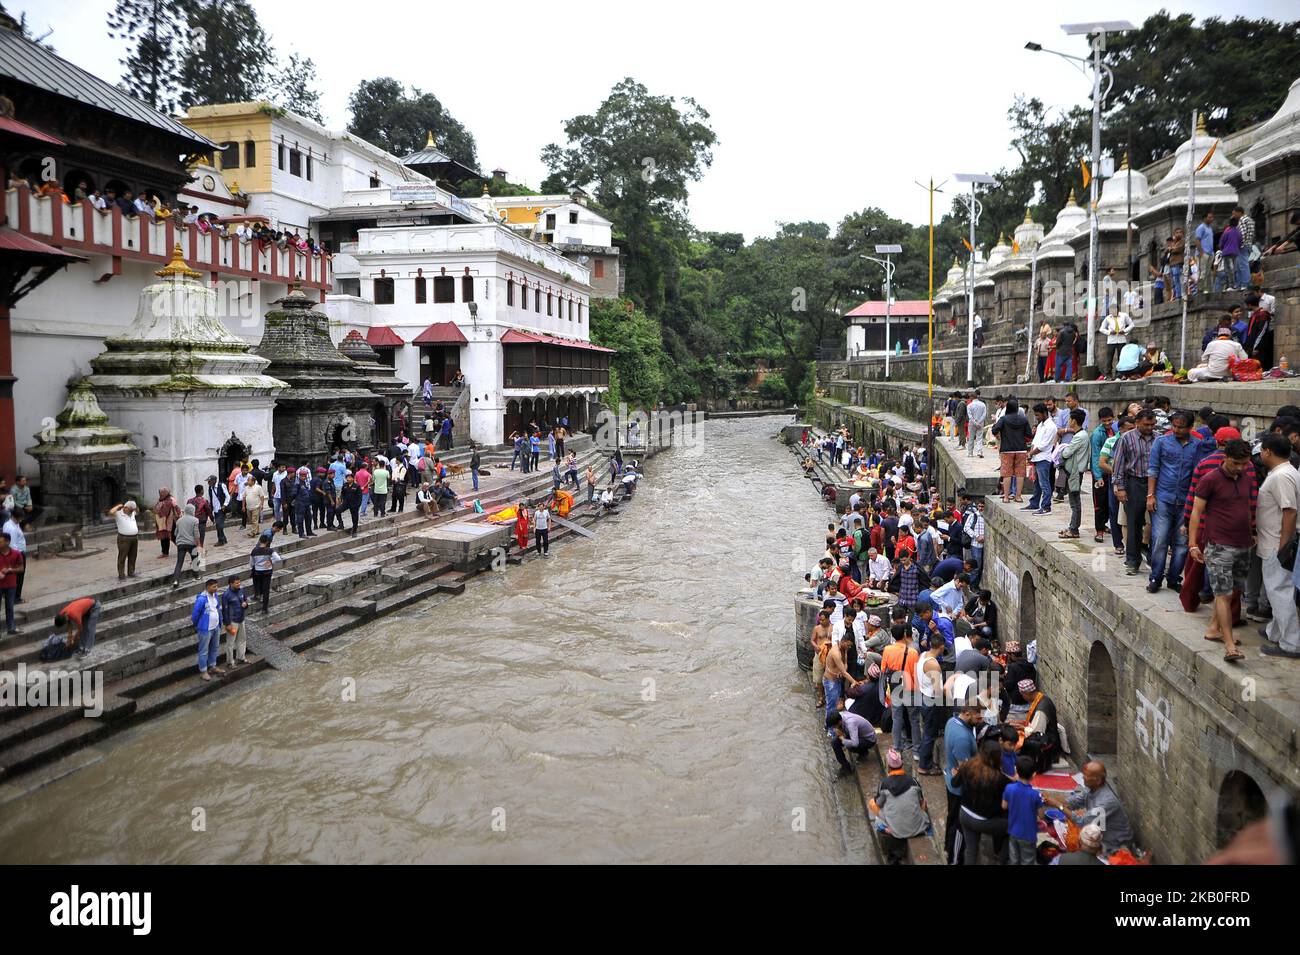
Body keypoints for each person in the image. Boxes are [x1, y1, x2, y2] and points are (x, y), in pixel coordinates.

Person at [1188, 439, 1255, 663]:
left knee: (1233, 590)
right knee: (1222, 594)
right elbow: (1196, 513)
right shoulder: (1210, 480)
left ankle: (1214, 628)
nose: (1240, 467)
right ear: (1225, 457)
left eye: (1244, 463)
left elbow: (1248, 507)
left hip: (1243, 544)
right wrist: (1193, 544)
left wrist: (1252, 533)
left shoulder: (1246, 478)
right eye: (1236, 463)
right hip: (1219, 545)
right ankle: (1229, 646)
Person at [1256, 434, 1300, 658]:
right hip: (1272, 541)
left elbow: (1290, 511)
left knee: (1279, 591)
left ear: (1268, 452)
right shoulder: (1286, 472)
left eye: (1262, 450)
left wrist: (1283, 545)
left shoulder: (1282, 476)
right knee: (1279, 591)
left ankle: (1291, 643)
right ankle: (1275, 631)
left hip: (1276, 543)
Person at [1145, 411, 1198, 593]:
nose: (1176, 429)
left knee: (1182, 543)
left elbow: (1197, 475)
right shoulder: (1162, 442)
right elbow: (1153, 469)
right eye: (1174, 426)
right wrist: (1150, 495)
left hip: (1186, 501)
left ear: (1190, 427)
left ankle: (1174, 578)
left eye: (1180, 427)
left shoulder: (1196, 446)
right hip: (1163, 498)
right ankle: (1155, 577)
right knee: (1160, 539)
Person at [1045, 760, 1134, 856]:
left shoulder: (1107, 801)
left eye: (1086, 775)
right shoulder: (1092, 788)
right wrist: (1048, 798)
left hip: (1114, 844)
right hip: (1099, 832)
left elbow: (1081, 822)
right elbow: (1071, 802)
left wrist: (1058, 805)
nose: (1083, 777)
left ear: (1098, 780)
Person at [1112, 409, 1157, 576]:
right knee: (1134, 523)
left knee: (1157, 523)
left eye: (1152, 424)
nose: (1149, 427)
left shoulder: (1159, 438)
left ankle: (1155, 559)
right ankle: (1133, 560)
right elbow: (1118, 464)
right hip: (1134, 483)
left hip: (1155, 484)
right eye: (1146, 424)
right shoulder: (1126, 438)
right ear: (1137, 422)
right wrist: (1120, 487)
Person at [868, 748, 929, 863]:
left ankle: (889, 830)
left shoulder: (884, 784)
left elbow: (878, 804)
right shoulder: (913, 781)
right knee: (923, 802)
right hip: (917, 828)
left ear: (888, 767)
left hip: (895, 831)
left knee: (872, 803)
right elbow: (922, 803)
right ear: (902, 765)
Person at [956, 736, 1009, 865]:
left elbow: (955, 782)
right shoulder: (999, 779)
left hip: (964, 814)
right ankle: (1002, 859)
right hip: (985, 821)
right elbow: (1004, 805)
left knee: (971, 851)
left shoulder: (968, 766)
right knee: (1014, 826)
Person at [944, 705, 981, 863]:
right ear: (967, 713)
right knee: (959, 826)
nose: (981, 719)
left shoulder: (952, 722)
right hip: (960, 789)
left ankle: (948, 847)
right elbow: (964, 771)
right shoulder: (962, 739)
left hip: (952, 781)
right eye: (978, 716)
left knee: (952, 818)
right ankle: (954, 859)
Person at [1002, 754, 1046, 865]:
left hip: (1013, 831)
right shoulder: (1035, 795)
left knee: (1014, 859)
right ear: (1034, 774)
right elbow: (1041, 816)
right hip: (1028, 835)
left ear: (1016, 770)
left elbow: (1004, 806)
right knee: (1028, 860)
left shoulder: (1009, 788)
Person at [1059, 408, 1090, 539]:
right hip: (1075, 471)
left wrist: (1063, 450)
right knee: (1074, 500)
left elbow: (1066, 453)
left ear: (1074, 421)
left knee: (1074, 501)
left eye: (1070, 419)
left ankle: (1074, 529)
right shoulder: (1082, 435)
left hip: (1075, 472)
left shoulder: (1079, 436)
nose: (1068, 421)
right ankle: (1072, 526)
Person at [992, 399, 1030, 503]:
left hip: (1007, 450)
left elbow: (994, 429)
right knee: (1020, 473)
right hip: (1021, 449)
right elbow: (1029, 434)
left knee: (1007, 473)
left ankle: (1006, 497)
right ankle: (1018, 496)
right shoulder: (1024, 419)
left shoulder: (1004, 419)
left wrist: (999, 434)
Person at [1025, 403, 1058, 516]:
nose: (1037, 417)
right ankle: (1034, 503)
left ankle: (1046, 506)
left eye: (1038, 415)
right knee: (1037, 483)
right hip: (1036, 457)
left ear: (1044, 413)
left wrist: (1031, 453)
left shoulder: (1051, 426)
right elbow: (1035, 441)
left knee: (1044, 483)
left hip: (1044, 458)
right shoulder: (1041, 425)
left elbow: (1044, 445)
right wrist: (1031, 453)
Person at [190, 578, 225, 681]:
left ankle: (213, 666)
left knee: (214, 647)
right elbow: (195, 615)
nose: (216, 588)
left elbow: (217, 608)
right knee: (204, 650)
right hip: (205, 629)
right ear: (208, 587)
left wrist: (220, 621)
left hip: (215, 627)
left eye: (216, 586)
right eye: (214, 587)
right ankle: (203, 670)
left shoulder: (215, 596)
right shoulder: (201, 599)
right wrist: (198, 625)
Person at [827, 707, 876, 778]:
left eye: (834, 726)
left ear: (839, 722)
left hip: (869, 739)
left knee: (850, 746)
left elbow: (855, 743)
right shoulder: (839, 716)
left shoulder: (850, 723)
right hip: (857, 734)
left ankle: (863, 752)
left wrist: (842, 739)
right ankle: (845, 766)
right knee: (834, 742)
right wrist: (841, 733)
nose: (834, 728)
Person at [170, 503, 201, 589]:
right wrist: (198, 544)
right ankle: (196, 576)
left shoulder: (179, 520)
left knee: (179, 562)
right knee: (195, 559)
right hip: (191, 543)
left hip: (180, 544)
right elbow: (196, 534)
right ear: (192, 511)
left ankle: (176, 580)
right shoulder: (195, 520)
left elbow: (176, 533)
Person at [249, 534, 281, 614]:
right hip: (267, 571)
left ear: (259, 541)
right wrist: (270, 562)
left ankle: (257, 595)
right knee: (266, 589)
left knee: (257, 582)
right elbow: (278, 558)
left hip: (258, 571)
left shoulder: (254, 550)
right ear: (267, 542)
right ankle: (264, 608)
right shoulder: (269, 550)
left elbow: (251, 563)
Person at [1099, 304, 1134, 377]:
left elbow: (1131, 325)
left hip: (1121, 340)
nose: (1112, 312)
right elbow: (1101, 329)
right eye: (1111, 311)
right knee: (1109, 358)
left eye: (1114, 310)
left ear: (1118, 309)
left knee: (1121, 358)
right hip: (1111, 340)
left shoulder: (1124, 316)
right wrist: (1109, 332)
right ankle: (1108, 374)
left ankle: (1120, 373)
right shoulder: (1108, 318)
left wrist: (1124, 331)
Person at [108, 500, 140, 578]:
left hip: (134, 538)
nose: (132, 511)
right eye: (130, 509)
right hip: (124, 538)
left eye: (132, 510)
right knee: (122, 556)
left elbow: (138, 511)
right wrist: (118, 506)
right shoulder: (119, 514)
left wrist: (133, 505)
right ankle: (121, 574)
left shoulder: (132, 513)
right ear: (125, 508)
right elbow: (110, 512)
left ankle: (131, 572)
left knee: (133, 556)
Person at [0, 532, 21, 636]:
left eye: (1, 541)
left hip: (11, 584)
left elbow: (21, 568)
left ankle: (11, 627)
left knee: (9, 606)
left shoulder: (16, 554)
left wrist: (10, 570)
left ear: (7, 542)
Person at [154, 487, 179, 558]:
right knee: (164, 537)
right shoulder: (161, 501)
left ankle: (183, 548)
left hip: (170, 522)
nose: (160, 494)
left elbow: (164, 511)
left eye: (161, 493)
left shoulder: (170, 500)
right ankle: (165, 552)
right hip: (162, 524)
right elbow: (156, 509)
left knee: (174, 536)